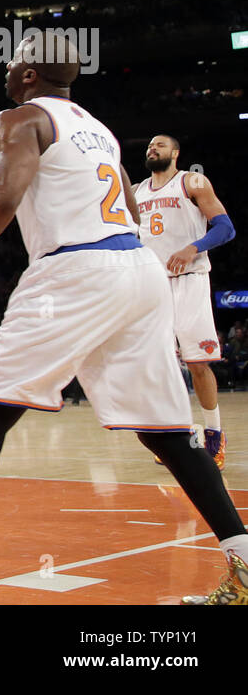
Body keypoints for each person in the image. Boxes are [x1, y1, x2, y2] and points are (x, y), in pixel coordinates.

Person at [0, 35, 248, 604]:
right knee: (167, 433)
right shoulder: (100, 129)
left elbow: (2, 195)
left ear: (29, 75)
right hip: (138, 270)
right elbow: (134, 211)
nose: (7, 66)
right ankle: (243, 561)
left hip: (75, 270)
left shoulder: (20, 118)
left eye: (13, 59)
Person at [134, 134, 236, 469]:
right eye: (150, 145)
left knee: (197, 362)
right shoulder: (135, 192)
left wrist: (193, 247)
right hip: (153, 285)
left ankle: (214, 436)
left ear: (175, 153)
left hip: (190, 280)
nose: (153, 148)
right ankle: (177, 433)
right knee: (158, 366)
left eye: (160, 145)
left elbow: (226, 228)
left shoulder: (191, 181)